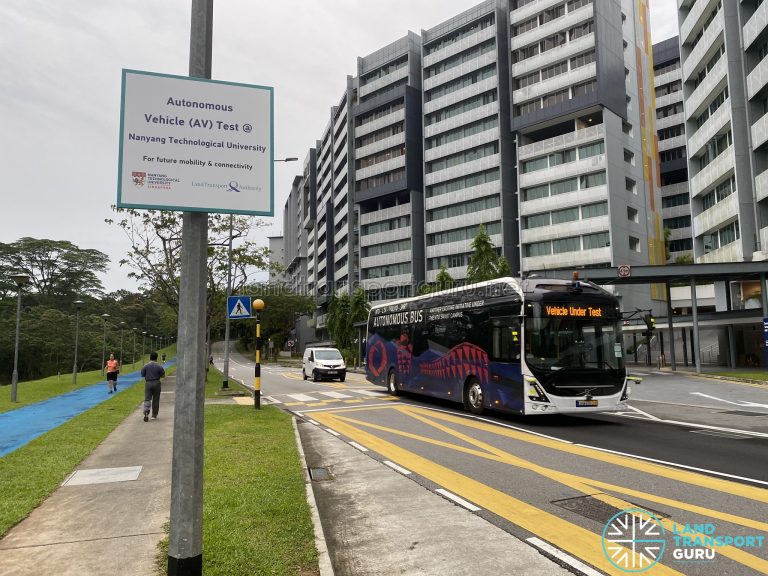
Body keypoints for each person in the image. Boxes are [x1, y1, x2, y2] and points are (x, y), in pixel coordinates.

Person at [141, 351, 166, 422]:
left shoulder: (145, 366)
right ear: (156, 358)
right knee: (156, 399)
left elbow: (142, 374)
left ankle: (146, 411)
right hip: (156, 383)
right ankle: (154, 415)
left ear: (150, 357)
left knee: (147, 398)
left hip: (148, 383)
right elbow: (163, 375)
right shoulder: (159, 366)